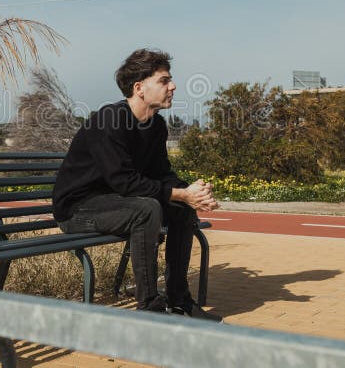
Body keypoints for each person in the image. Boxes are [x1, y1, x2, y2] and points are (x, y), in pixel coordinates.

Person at [52, 49, 222, 321]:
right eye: (164, 80)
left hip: (119, 203)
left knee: (181, 209)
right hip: (78, 209)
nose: (173, 86)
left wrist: (192, 193)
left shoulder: (156, 126)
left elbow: (161, 172)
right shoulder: (110, 120)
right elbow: (123, 180)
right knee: (148, 209)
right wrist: (179, 193)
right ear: (139, 88)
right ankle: (150, 308)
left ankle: (179, 301)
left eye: (171, 80)